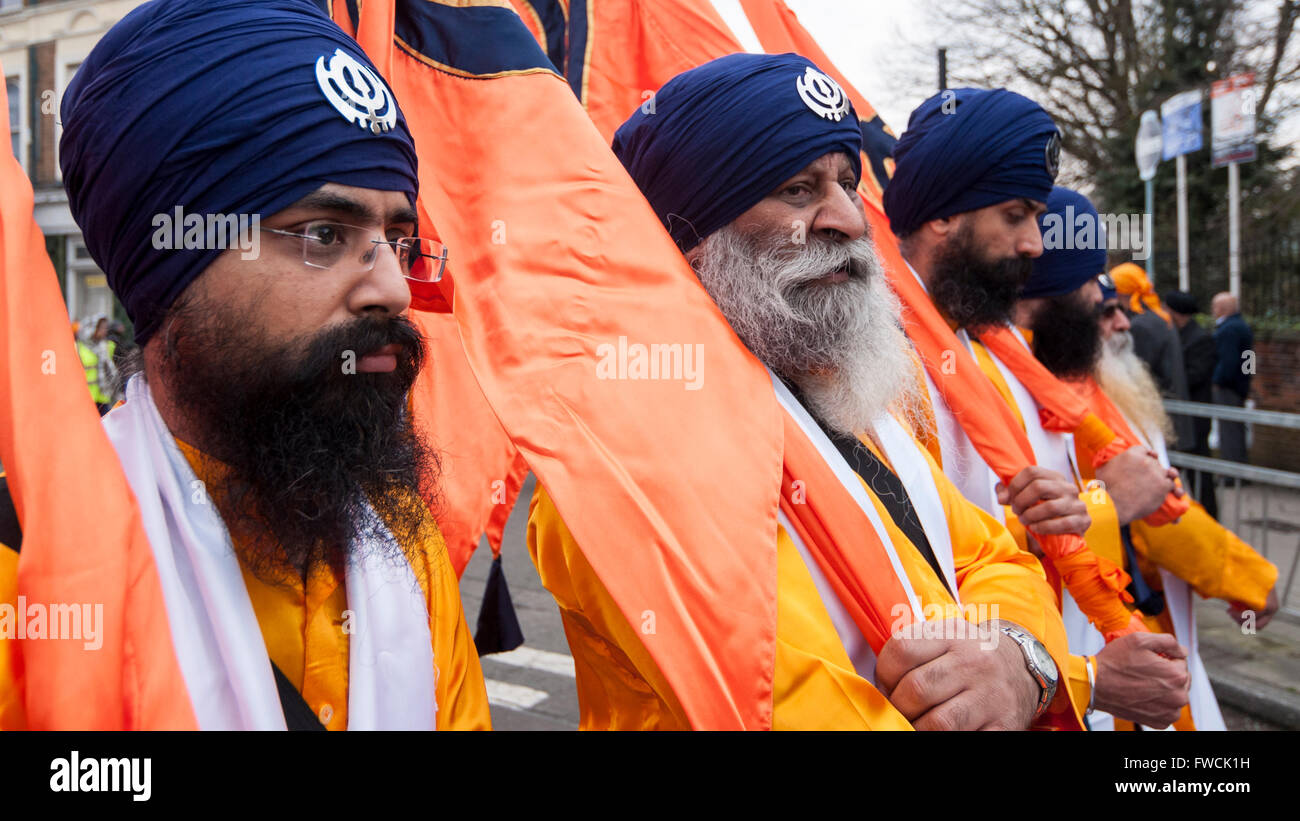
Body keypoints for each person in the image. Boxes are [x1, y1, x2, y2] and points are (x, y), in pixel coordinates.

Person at [528, 53, 1081, 730]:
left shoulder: (835, 398)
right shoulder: (631, 458)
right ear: (690, 233)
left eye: (848, 183)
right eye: (798, 188)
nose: (849, 219)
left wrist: (1020, 659)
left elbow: (994, 557)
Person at [0, 0, 489, 730]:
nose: (393, 286)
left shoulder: (406, 542)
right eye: (324, 233)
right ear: (172, 270)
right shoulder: (27, 574)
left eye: (397, 237)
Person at [882, 105, 1192, 729]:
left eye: (1039, 220)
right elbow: (919, 565)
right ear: (944, 214)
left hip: (1056, 673)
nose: (1035, 245)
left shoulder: (1002, 347)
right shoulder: (877, 358)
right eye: (1016, 216)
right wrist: (1105, 505)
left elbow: (1026, 516)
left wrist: (1083, 508)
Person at [1013, 187, 1278, 729]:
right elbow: (1162, 517)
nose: (1120, 323)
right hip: (1103, 634)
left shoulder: (1083, 379)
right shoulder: (1063, 387)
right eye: (1101, 302)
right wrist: (1250, 582)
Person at [1109, 264, 1193, 433]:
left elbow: (1136, 378)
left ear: (1119, 293)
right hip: (1171, 416)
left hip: (1158, 422)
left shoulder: (1140, 325)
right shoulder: (1159, 317)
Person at [1164, 289, 1219, 516]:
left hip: (1195, 417)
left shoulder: (1200, 338)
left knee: (1200, 473)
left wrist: (1170, 379)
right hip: (1180, 418)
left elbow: (1196, 375)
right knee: (1181, 470)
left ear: (1177, 313)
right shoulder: (1177, 334)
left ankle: (1210, 516)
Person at [1211, 291, 1254, 463]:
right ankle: (1239, 466)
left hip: (1229, 386)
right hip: (1239, 384)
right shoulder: (1242, 326)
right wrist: (1247, 380)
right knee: (1236, 428)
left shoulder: (1228, 329)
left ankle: (1231, 472)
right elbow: (1249, 357)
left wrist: (1218, 380)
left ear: (1221, 308)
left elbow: (1228, 359)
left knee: (1228, 429)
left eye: (1214, 306)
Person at [75, 314, 117, 415]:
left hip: (104, 398)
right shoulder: (78, 348)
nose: (104, 331)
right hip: (85, 399)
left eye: (105, 328)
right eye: (101, 328)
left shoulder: (108, 346)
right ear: (92, 329)